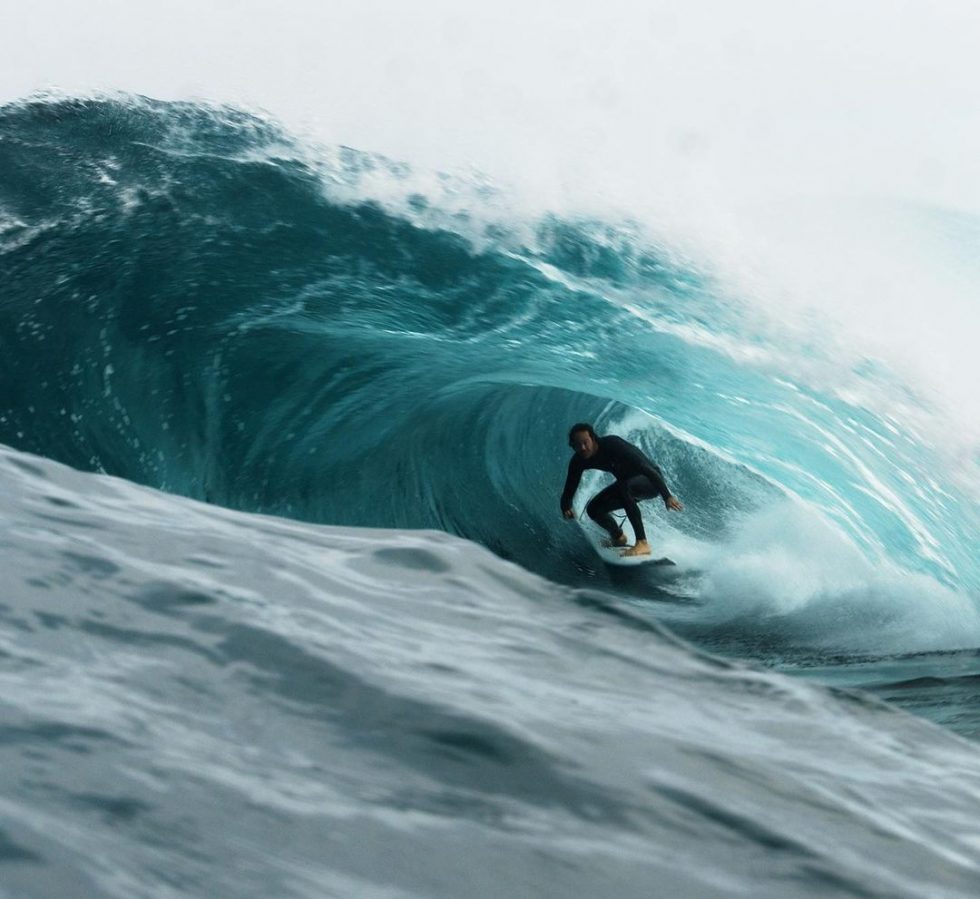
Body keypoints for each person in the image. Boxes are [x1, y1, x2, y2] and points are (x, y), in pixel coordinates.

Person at [561, 423, 683, 557]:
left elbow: (646, 468)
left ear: (593, 438)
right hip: (626, 485)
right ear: (572, 446)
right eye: (577, 445)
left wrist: (667, 496)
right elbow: (570, 486)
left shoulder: (612, 445)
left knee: (623, 487)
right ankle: (618, 537)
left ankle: (642, 543)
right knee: (594, 509)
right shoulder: (579, 460)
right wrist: (566, 506)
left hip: (650, 480)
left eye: (585, 442)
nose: (582, 448)